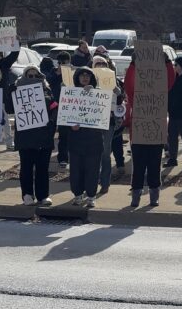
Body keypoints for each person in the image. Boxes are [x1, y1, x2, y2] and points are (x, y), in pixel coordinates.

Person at [61, 68, 110, 206]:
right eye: (82, 75)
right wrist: (71, 125)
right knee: (76, 170)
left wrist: (93, 94)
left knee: (93, 170)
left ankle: (91, 196)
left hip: (94, 139)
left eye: (88, 75)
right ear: (77, 78)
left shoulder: (99, 93)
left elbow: (106, 115)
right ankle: (77, 194)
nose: (85, 77)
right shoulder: (70, 94)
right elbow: (63, 117)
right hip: (76, 140)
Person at [13, 65, 57, 206]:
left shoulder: (46, 90)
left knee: (42, 168)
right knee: (26, 167)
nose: (32, 78)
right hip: (25, 137)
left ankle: (43, 195)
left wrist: (51, 123)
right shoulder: (17, 90)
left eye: (35, 76)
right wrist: (11, 92)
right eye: (29, 76)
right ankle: (27, 195)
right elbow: (9, 108)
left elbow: (54, 108)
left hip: (43, 136)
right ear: (24, 77)